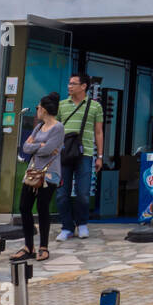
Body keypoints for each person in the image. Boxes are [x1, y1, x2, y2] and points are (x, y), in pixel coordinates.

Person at [14, 94, 64, 262]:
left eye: (37, 107)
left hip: (49, 174)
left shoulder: (58, 128)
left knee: (42, 208)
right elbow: (26, 147)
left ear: (44, 109)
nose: (37, 110)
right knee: (24, 207)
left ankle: (43, 246)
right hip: (33, 172)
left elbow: (48, 149)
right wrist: (39, 146)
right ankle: (28, 246)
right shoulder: (38, 127)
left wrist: (39, 147)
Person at [56, 73, 104, 241]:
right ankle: (67, 226)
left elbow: (98, 132)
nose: (69, 86)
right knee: (62, 193)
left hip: (85, 154)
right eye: (69, 83)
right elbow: (56, 130)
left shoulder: (95, 107)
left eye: (73, 83)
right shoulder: (62, 105)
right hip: (63, 154)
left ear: (83, 86)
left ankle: (82, 223)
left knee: (83, 193)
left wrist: (100, 156)